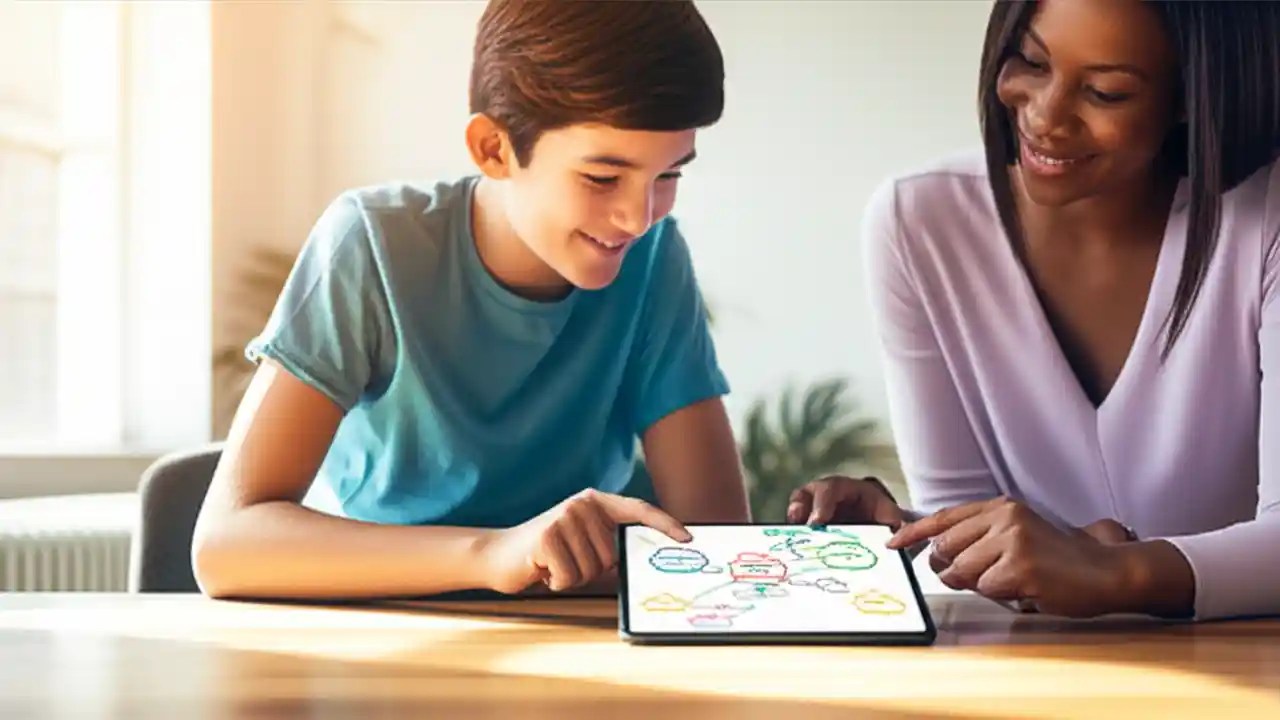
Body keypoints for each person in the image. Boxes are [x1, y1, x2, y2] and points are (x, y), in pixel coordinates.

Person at [192, 0, 750, 600]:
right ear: (493, 148)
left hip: (570, 642)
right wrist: (493, 553)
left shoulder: (652, 258)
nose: (639, 218)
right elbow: (227, 544)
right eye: (602, 178)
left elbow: (714, 542)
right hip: (374, 631)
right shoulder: (373, 244)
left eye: (668, 176)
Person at [791, 0, 1280, 621]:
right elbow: (971, 531)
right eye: (1029, 60)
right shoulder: (920, 222)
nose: (1045, 117)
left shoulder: (1264, 222)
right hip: (1038, 678)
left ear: (1193, 95)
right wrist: (909, 531)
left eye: (1105, 92)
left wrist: (1115, 571)